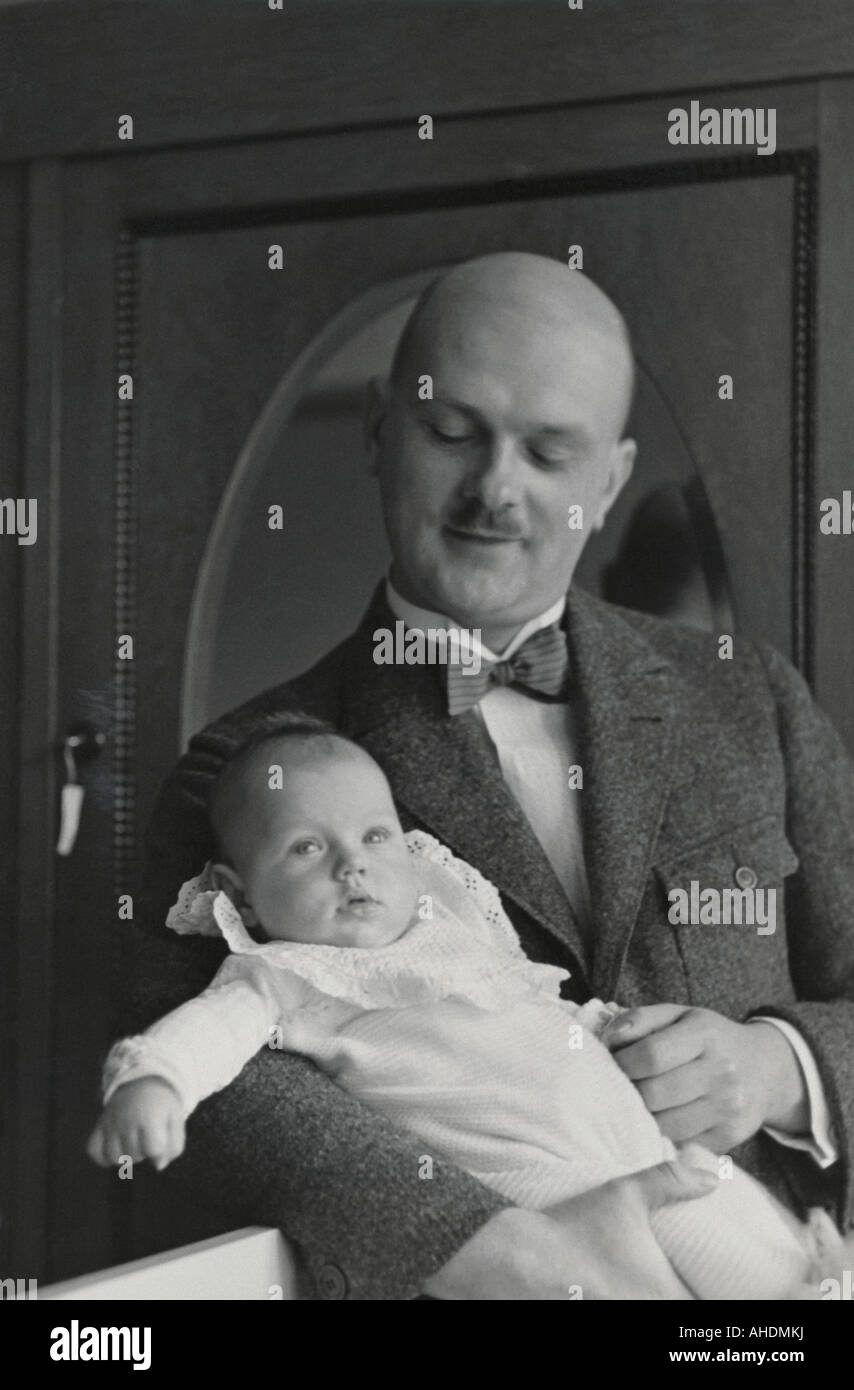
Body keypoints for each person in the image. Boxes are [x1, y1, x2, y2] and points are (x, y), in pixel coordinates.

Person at [126, 252, 854, 1300]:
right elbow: (223, 1093)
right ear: (380, 428)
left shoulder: (750, 700)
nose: (493, 490)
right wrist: (493, 1247)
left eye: (548, 453)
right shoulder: (250, 765)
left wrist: (779, 1066)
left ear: (606, 481)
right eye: (451, 432)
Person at [92, 717, 843, 1300]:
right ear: (240, 889)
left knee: (765, 1252)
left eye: (374, 836)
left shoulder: (443, 923)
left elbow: (521, 993)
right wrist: (153, 1081)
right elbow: (210, 1031)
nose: (352, 863)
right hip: (538, 1179)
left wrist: (606, 1026)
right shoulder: (285, 974)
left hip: (630, 1124)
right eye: (305, 849)